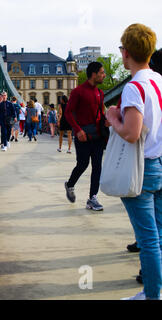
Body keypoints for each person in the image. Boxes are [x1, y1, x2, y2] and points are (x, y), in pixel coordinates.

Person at [107, 24, 161, 300]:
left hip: (143, 169)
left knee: (148, 240)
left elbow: (131, 132)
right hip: (161, 163)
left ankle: (152, 295)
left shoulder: (134, 87)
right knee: (159, 236)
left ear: (125, 53)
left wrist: (112, 117)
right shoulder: (160, 81)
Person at [64, 61, 107, 212]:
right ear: (94, 74)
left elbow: (101, 112)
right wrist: (77, 130)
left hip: (98, 136)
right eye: (102, 72)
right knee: (82, 165)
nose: (104, 75)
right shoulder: (78, 91)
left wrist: (107, 122)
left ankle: (92, 198)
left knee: (97, 167)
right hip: (83, 135)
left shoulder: (100, 93)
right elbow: (68, 113)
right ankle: (70, 184)